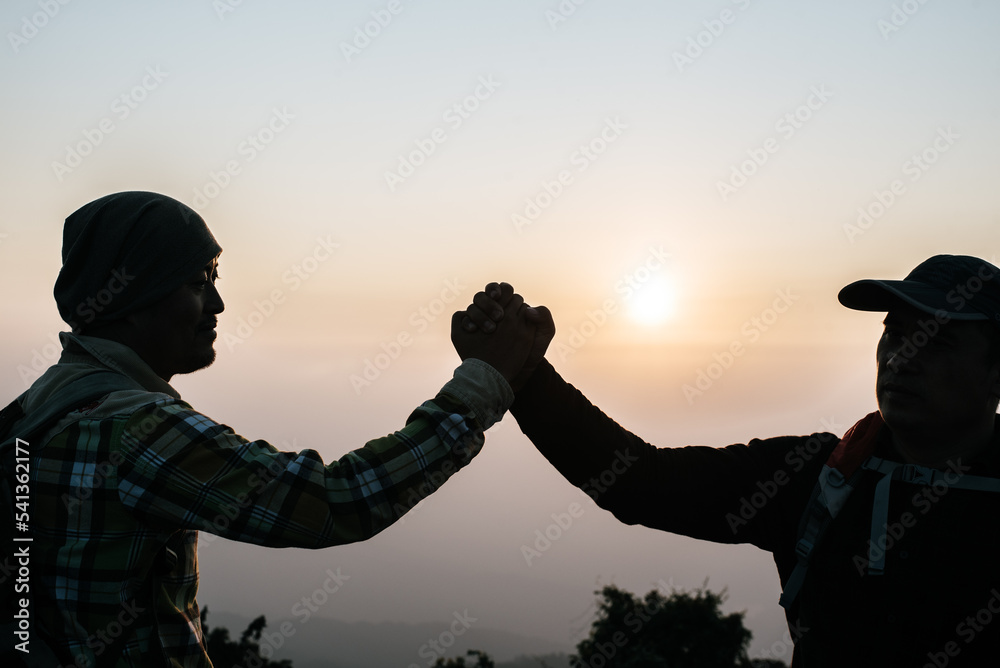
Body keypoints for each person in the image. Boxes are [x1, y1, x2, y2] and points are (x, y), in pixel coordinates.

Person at [0, 191, 538, 668]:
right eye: (196, 282)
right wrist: (483, 382)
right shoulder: (138, 433)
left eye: (213, 278)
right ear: (130, 299)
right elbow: (335, 501)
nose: (217, 303)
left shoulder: (35, 407)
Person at [461, 255, 1000, 667]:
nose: (904, 357)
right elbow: (639, 482)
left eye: (939, 341)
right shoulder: (817, 477)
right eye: (895, 334)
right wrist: (523, 374)